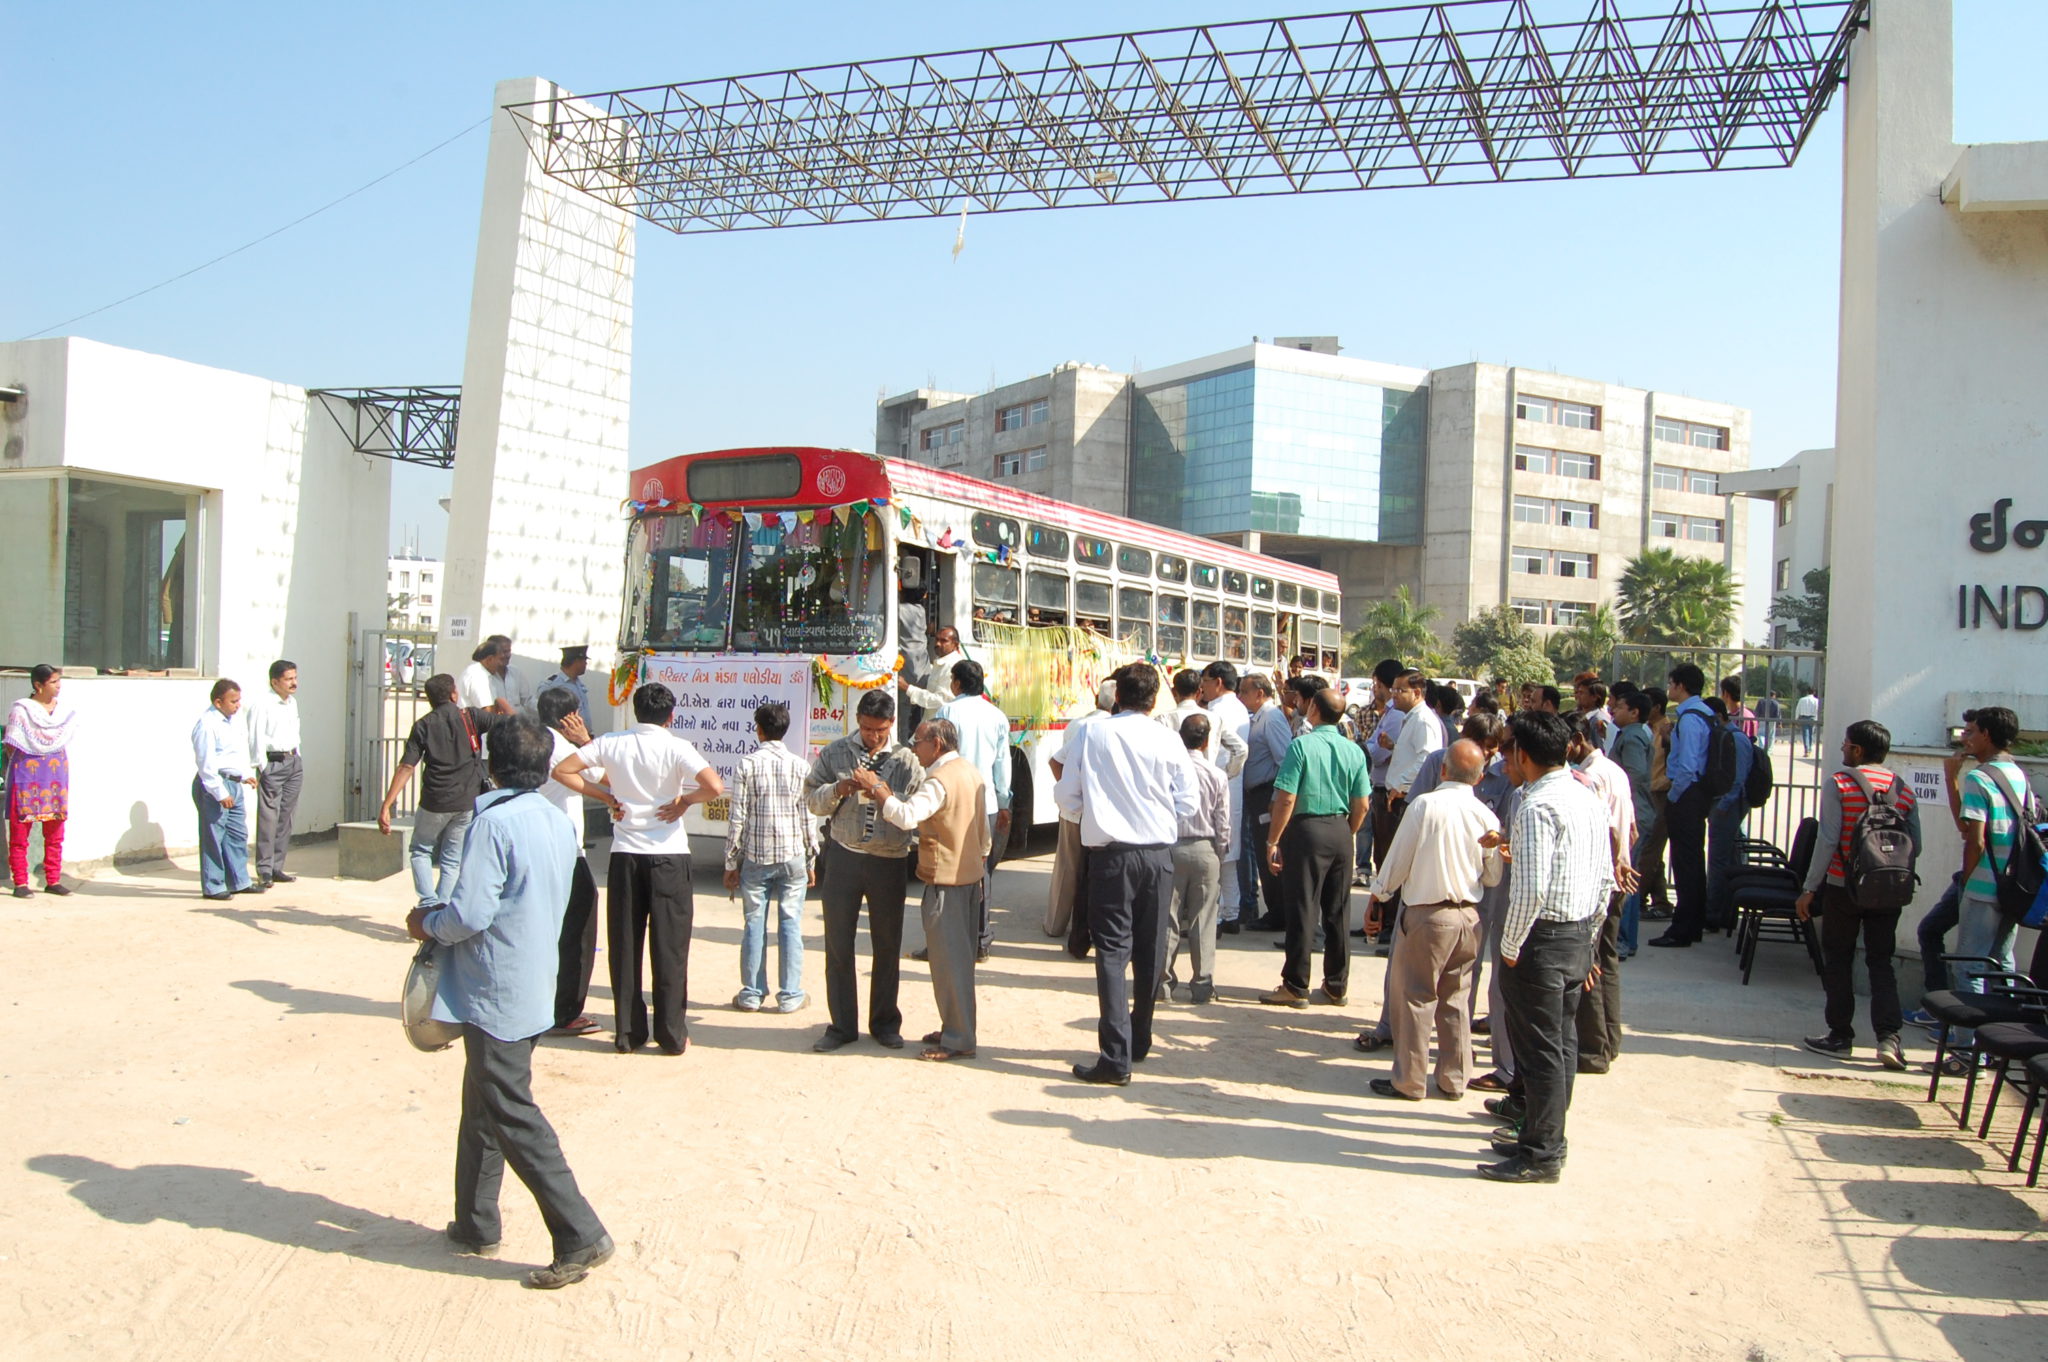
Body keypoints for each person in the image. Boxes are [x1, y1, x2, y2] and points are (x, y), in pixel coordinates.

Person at [405, 713, 613, 1290]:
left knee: (511, 1112)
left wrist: (426, 923)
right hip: (529, 983)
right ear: (544, 765)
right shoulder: (552, 819)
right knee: (484, 1107)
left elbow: (469, 914)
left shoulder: (492, 825)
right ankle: (475, 1222)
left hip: (496, 988)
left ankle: (581, 1233)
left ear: (489, 765)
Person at [1480, 711, 1614, 1184]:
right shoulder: (1587, 797)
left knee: (1540, 1050)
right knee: (1559, 1044)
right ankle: (1541, 1134)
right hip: (1576, 933)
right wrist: (1592, 941)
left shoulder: (1537, 806)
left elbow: (1531, 890)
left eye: (1509, 750)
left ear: (1523, 754)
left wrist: (1512, 946)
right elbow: (1605, 879)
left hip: (1541, 939)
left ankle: (1542, 1152)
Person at [554, 682, 723, 1055]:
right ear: (671, 716)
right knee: (670, 948)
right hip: (669, 854)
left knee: (625, 945)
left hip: (626, 853)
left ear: (635, 711)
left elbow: (564, 771)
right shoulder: (678, 746)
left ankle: (629, 1033)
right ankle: (672, 1033)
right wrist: (683, 803)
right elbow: (714, 785)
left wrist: (606, 796)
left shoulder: (612, 742)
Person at [1057, 665, 1196, 1085]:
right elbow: (1187, 803)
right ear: (1154, 700)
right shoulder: (1169, 738)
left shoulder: (1091, 733)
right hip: (1157, 856)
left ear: (1117, 696)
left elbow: (1066, 795)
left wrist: (1093, 813)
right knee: (1151, 950)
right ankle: (1140, 1037)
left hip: (1112, 857)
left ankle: (1116, 1056)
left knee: (1113, 954)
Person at [1364, 738, 1501, 1100]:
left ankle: (1409, 1079)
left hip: (1427, 913)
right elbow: (1492, 876)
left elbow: (1398, 859)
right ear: (1480, 776)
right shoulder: (1486, 815)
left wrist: (1379, 895)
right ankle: (1454, 1078)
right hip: (1468, 916)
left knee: (1416, 996)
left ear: (1443, 770)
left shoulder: (1425, 806)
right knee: (1456, 997)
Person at [856, 718, 989, 1061]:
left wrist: (879, 790)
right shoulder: (968, 771)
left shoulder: (938, 781)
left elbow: (905, 816)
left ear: (937, 745)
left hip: (947, 881)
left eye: (918, 742)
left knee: (950, 965)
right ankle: (956, 1027)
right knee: (956, 963)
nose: (914, 749)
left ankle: (959, 1038)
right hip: (968, 878)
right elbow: (984, 836)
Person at [802, 690, 924, 1053]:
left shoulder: (907, 760)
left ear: (891, 725)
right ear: (858, 721)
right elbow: (810, 798)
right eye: (869, 729)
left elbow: (918, 811)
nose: (874, 736)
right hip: (843, 857)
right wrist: (839, 789)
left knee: (887, 944)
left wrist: (884, 794)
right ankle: (841, 1025)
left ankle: (885, 1023)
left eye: (881, 730)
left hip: (889, 860)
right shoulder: (836, 752)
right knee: (838, 943)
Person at [1797, 719, 1922, 1069]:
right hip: (1890, 891)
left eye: (1846, 743)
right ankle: (1889, 1039)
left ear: (1858, 750)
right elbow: (1918, 845)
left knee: (1838, 959)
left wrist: (1809, 887)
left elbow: (1828, 839)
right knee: (1881, 962)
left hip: (1843, 887)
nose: (1841, 749)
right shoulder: (1903, 789)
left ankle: (1840, 1035)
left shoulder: (1840, 784)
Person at [1259, 688, 1372, 1008]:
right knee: (1337, 911)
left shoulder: (1301, 746)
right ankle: (1337, 985)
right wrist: (1345, 831)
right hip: (1340, 828)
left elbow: (1286, 798)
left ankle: (1296, 984)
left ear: (1313, 711)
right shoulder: (1353, 751)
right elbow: (1362, 804)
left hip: (1306, 830)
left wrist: (1273, 840)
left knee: (1302, 908)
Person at [379, 674, 505, 915]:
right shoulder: (472, 717)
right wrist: (503, 705)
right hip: (466, 801)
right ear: (453, 694)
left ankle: (427, 902)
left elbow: (407, 766)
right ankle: (443, 905)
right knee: (452, 857)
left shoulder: (423, 725)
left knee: (421, 850)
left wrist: (387, 804)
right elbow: (508, 724)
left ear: (429, 699)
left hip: (434, 801)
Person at [722, 701, 817, 1016]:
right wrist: (811, 857)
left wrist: (730, 862)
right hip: (792, 856)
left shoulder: (746, 765)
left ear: (758, 730)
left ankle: (752, 993)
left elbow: (738, 818)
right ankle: (790, 995)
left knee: (753, 923)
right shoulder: (800, 766)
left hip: (756, 857)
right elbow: (808, 817)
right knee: (790, 923)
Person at [1946, 706, 2030, 1044]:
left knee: (1969, 967)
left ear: (1987, 736)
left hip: (1983, 887)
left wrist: (1951, 778)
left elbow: (1972, 836)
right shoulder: (2017, 774)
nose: (1966, 737)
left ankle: (1968, 1051)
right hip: (2013, 885)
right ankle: (2002, 1043)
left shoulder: (1979, 778)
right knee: (2001, 966)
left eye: (1971, 732)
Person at [1567, 715, 1637, 1074]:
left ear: (1578, 740)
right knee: (1605, 961)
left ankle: (1593, 1049)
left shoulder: (1589, 777)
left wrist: (1612, 865)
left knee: (1589, 965)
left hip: (1601, 882)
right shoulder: (1615, 771)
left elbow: (1609, 830)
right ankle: (1609, 1039)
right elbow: (1631, 828)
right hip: (1614, 877)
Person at [536, 687, 603, 1037]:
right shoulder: (564, 747)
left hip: (539, 844)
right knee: (579, 926)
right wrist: (586, 739)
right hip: (564, 850)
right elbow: (604, 775)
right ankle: (566, 1011)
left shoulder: (535, 739)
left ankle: (542, 1003)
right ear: (569, 719)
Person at [936, 660, 1011, 960]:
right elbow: (1002, 765)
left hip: (952, 802)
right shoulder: (997, 716)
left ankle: (943, 941)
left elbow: (937, 759)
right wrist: (1004, 803)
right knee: (981, 873)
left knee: (946, 870)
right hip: (987, 803)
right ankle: (981, 940)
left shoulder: (947, 712)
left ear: (956, 683)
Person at [1162, 713, 1231, 1004]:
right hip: (1206, 849)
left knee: (1168, 918)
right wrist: (1220, 853)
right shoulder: (1217, 774)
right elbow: (1223, 821)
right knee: (1204, 919)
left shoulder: (1169, 771)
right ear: (1205, 742)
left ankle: (1161, 984)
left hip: (1171, 847)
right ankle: (1202, 985)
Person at [1045, 680, 1116, 943]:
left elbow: (1056, 762)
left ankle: (1055, 924)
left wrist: (1069, 793)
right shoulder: (1101, 728)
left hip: (1075, 809)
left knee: (1068, 869)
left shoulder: (1080, 723)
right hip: (1099, 811)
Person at [1651, 664, 1713, 948]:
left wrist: (1674, 797)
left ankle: (1682, 929)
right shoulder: (1706, 713)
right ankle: (1694, 923)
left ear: (1681, 686)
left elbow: (1687, 766)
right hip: (1697, 794)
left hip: (1687, 795)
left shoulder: (1689, 719)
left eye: (1671, 683)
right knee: (1693, 862)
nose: (1669, 688)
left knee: (1685, 863)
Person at [6, 664, 76, 898]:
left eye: (59, 681)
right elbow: (11, 745)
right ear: (38, 685)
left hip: (55, 777)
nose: (59, 686)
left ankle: (53, 879)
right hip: (26, 775)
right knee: (20, 833)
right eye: (54, 682)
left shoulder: (63, 712)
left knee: (55, 832)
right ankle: (20, 883)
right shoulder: (22, 711)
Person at [192, 679, 260, 900]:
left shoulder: (232, 721)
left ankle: (239, 881)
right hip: (215, 786)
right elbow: (206, 765)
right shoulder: (207, 724)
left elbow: (232, 754)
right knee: (214, 837)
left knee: (237, 835)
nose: (238, 705)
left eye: (239, 700)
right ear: (218, 701)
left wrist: (244, 775)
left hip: (234, 782)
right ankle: (213, 886)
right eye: (233, 701)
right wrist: (220, 793)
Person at [1199, 661, 1252, 929]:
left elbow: (1224, 749)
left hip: (1216, 784)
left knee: (1214, 852)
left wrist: (1224, 772)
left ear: (1218, 682)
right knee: (1229, 853)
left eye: (1205, 681)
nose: (1202, 687)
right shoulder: (1241, 708)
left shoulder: (1215, 711)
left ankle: (1217, 915)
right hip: (1233, 784)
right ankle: (1231, 911)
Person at [1239, 671, 1293, 930]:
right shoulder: (1258, 718)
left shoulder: (1271, 718)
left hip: (1267, 794)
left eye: (1245, 692)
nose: (1241, 697)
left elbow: (1285, 760)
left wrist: (1275, 797)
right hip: (1257, 795)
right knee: (1262, 853)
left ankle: (1279, 913)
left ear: (1260, 693)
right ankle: (1275, 910)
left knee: (1270, 851)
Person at [245, 659, 303, 889]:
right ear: (275, 681)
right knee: (269, 817)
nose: (293, 683)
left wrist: (298, 756)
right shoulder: (262, 704)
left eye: (295, 678)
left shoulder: (292, 703)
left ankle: (278, 865)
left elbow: (295, 731)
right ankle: (265, 869)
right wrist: (261, 767)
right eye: (288, 679)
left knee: (286, 816)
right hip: (273, 763)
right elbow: (255, 737)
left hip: (293, 761)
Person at [1608, 690, 1657, 959]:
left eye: (1621, 705)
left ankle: (1624, 939)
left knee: (1625, 878)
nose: (1614, 709)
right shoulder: (1635, 733)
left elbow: (1635, 773)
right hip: (1637, 812)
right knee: (1629, 877)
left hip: (1634, 815)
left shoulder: (1634, 736)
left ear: (1635, 712)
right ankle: (1625, 938)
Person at [1704, 692, 1757, 933]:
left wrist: (1723, 806)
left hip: (1729, 804)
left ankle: (1715, 914)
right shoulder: (1727, 736)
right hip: (1726, 803)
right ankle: (1724, 911)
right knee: (1726, 858)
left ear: (1716, 715)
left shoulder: (1734, 738)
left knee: (1719, 860)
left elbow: (1738, 779)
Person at [1364, 659, 1407, 874]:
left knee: (1387, 858)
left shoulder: (1397, 715)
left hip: (1390, 793)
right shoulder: (1389, 713)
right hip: (1381, 790)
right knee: (1381, 855)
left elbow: (1377, 753)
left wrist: (1369, 746)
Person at [898, 625, 968, 715]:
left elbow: (941, 700)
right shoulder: (941, 663)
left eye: (944, 641)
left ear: (955, 645)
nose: (938, 644)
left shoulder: (952, 666)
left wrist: (908, 688)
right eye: (937, 639)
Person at [459, 634, 532, 715]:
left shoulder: (480, 672)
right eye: (499, 659)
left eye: (509, 651)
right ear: (489, 659)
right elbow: (488, 713)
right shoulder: (478, 676)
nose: (499, 664)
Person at [540, 646, 592, 724]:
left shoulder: (578, 683)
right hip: (565, 734)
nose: (586, 663)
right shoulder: (552, 685)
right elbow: (545, 712)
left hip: (584, 734)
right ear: (576, 661)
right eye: (584, 660)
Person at [1572, 674, 1614, 754]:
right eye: (1577, 692)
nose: (1577, 696)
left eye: (1582, 693)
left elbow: (1602, 749)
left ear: (1594, 697)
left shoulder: (1598, 720)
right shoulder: (1581, 716)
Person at [1795, 684, 1821, 757]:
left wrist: (1796, 719)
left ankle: (1807, 750)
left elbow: (1798, 709)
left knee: (1805, 734)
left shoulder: (1802, 699)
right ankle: (1810, 748)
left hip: (1804, 718)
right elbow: (1817, 710)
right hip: (1813, 718)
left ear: (1807, 692)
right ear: (1814, 692)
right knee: (1811, 734)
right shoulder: (1816, 701)